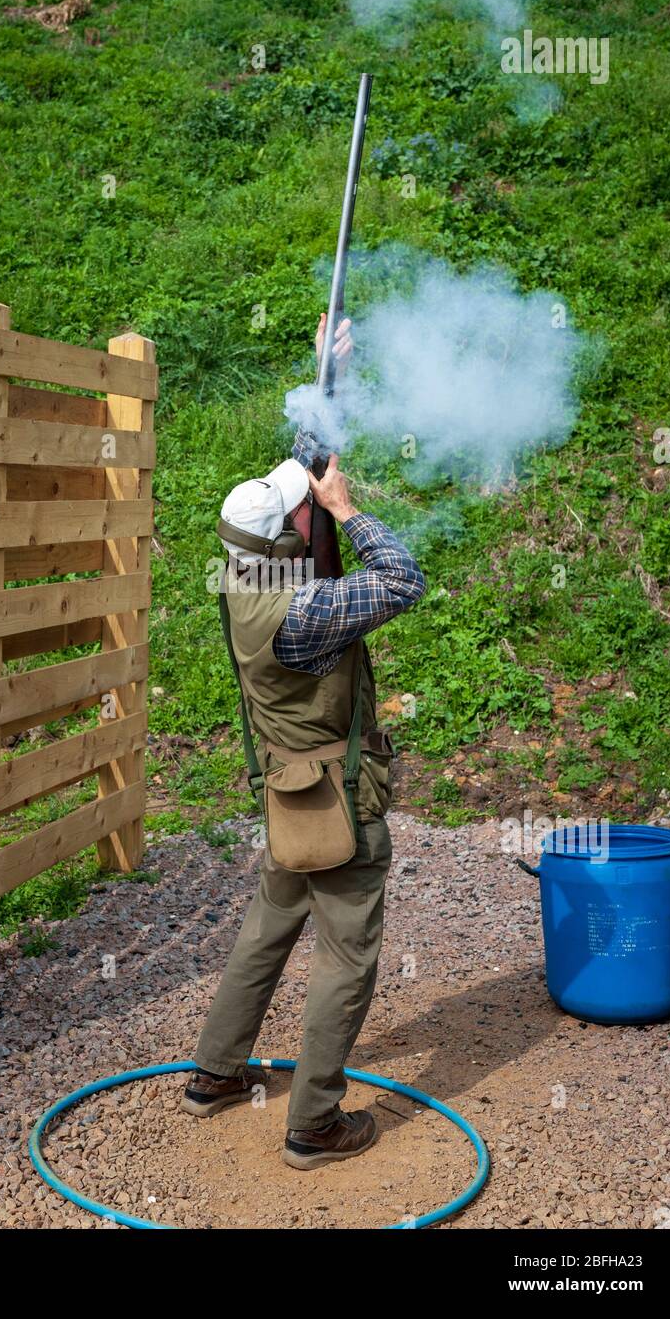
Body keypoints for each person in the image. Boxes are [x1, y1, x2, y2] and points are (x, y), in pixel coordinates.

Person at [181, 315, 426, 1169]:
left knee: (266, 926)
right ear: (289, 539)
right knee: (348, 956)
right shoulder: (306, 611)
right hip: (337, 802)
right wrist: (348, 510)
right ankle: (314, 1124)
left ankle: (214, 1072)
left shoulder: (246, 576)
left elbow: (297, 473)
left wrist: (331, 371)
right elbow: (403, 579)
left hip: (289, 792)